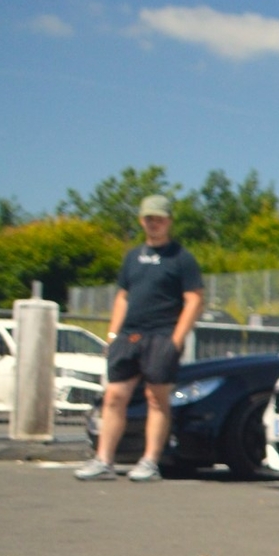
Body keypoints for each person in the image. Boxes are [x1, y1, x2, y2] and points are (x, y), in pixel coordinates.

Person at [79, 193, 204, 482]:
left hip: (162, 335)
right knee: (114, 396)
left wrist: (176, 339)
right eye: (149, 218)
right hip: (128, 336)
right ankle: (103, 460)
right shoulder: (132, 257)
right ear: (141, 221)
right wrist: (113, 335)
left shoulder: (181, 258)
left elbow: (194, 300)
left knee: (156, 398)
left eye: (159, 219)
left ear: (169, 221)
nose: (154, 223)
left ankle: (149, 461)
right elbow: (123, 296)